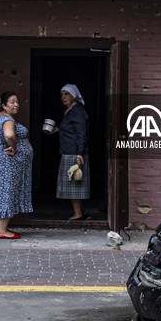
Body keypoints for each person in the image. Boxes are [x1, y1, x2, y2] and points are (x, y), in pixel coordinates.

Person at [0, 91, 33, 238]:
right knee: (7, 191)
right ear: (4, 105)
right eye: (12, 102)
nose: (16, 105)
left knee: (4, 190)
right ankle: (2, 230)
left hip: (3, 159)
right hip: (9, 162)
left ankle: (1, 228)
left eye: (17, 101)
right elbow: (9, 135)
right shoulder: (8, 120)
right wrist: (13, 147)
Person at [55, 84, 90, 221]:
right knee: (75, 183)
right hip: (69, 151)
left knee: (74, 185)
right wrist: (57, 130)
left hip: (74, 153)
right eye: (62, 95)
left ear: (74, 95)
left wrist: (79, 153)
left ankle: (78, 214)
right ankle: (82, 212)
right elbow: (70, 129)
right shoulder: (69, 111)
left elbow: (82, 134)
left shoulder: (78, 112)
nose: (63, 97)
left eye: (66, 94)